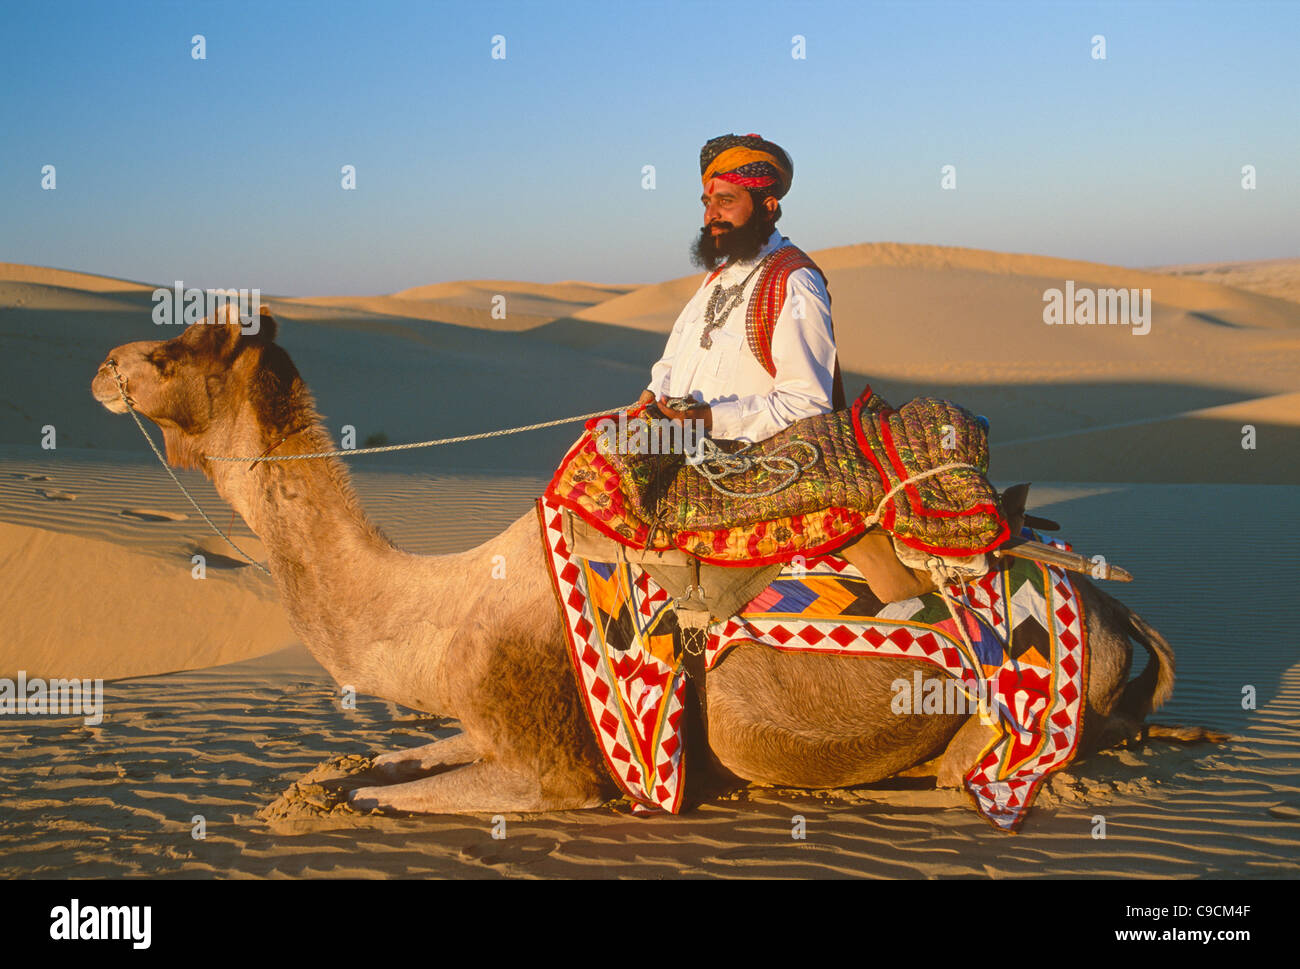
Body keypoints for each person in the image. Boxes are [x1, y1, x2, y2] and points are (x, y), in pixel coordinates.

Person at [637, 132, 845, 444]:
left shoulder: (793, 281)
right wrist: (654, 392)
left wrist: (707, 420)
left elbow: (807, 402)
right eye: (708, 202)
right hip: (682, 453)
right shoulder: (716, 278)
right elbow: (673, 360)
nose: (712, 216)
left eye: (726, 201)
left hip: (750, 470)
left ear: (768, 207)